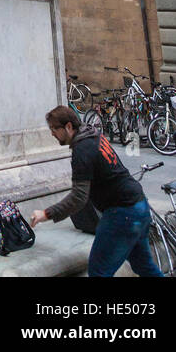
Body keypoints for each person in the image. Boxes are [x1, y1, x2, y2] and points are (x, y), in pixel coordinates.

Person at [30, 106, 164, 278]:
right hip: (139, 206)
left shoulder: (82, 149)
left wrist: (46, 213)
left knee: (99, 272)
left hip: (122, 214)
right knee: (144, 267)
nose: (52, 134)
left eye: (54, 129)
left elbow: (79, 197)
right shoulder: (93, 136)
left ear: (68, 127)